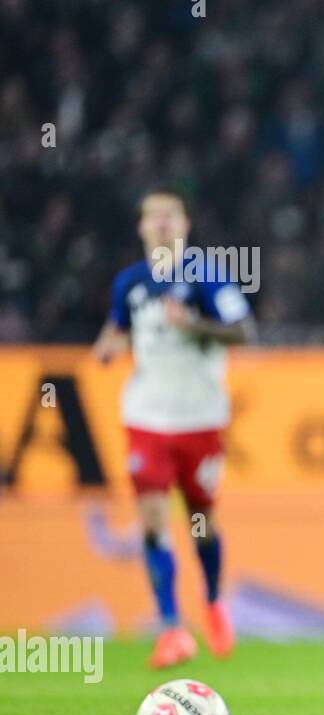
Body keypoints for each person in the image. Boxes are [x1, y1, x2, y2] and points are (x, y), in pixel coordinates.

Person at [92, 187, 255, 669]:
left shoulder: (205, 275)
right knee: (152, 515)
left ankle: (212, 601)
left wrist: (194, 326)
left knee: (202, 521)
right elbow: (118, 329)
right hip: (147, 416)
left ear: (184, 224)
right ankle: (170, 628)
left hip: (201, 418)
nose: (162, 223)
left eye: (170, 215)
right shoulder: (129, 282)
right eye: (153, 216)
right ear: (142, 228)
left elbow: (244, 330)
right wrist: (106, 345)